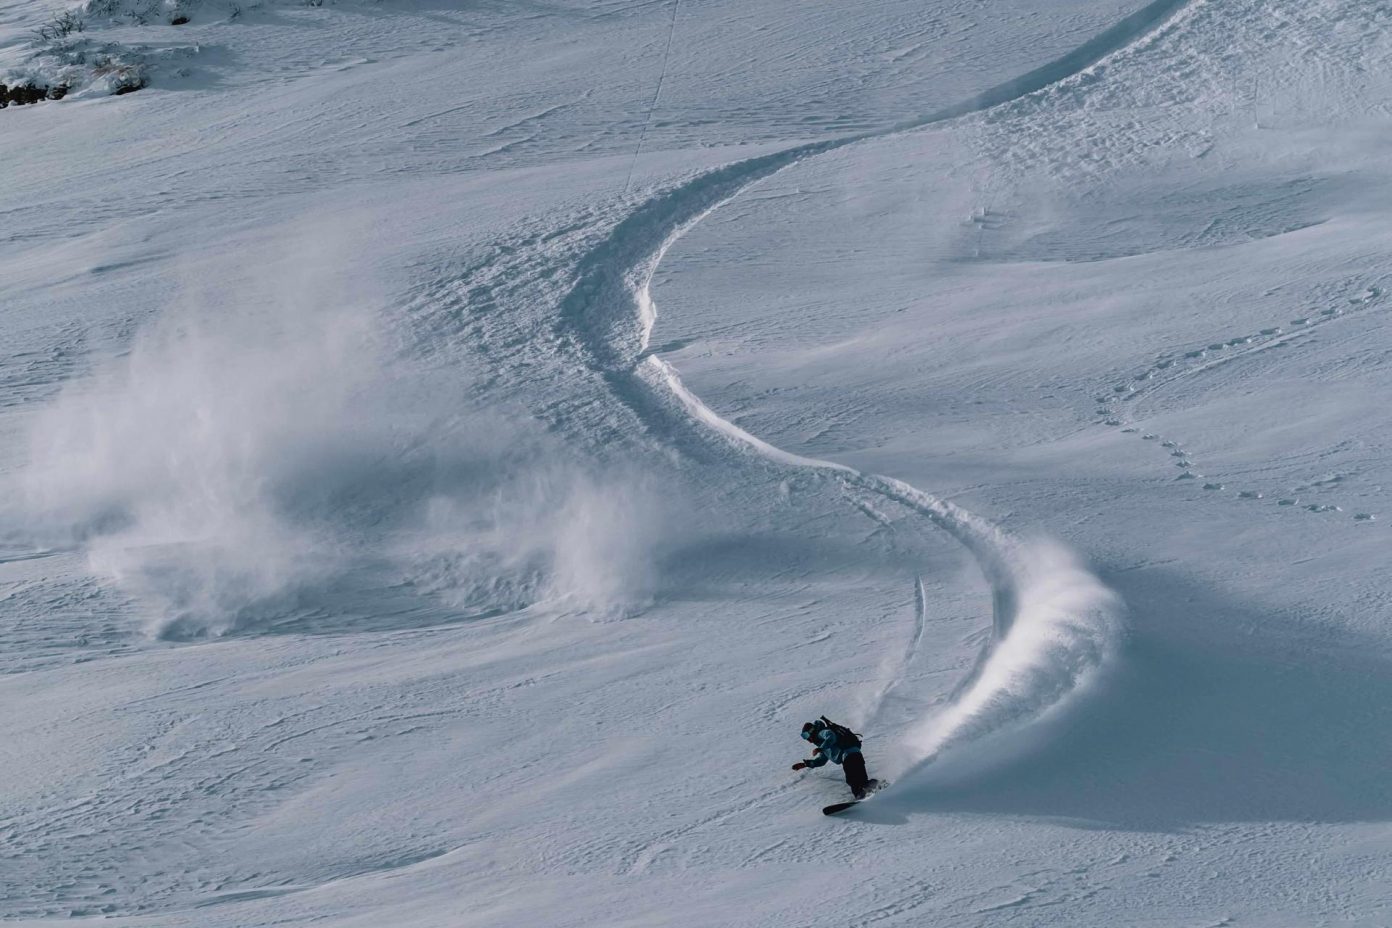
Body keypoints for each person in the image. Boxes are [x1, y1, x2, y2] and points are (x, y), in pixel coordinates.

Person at [792, 718, 879, 799]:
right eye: (804, 737)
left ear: (811, 731)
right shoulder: (823, 744)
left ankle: (861, 797)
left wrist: (821, 748)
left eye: (806, 735)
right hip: (855, 754)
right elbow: (821, 760)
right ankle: (877, 786)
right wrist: (806, 764)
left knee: (853, 781)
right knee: (862, 780)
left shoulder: (821, 733)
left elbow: (831, 736)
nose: (807, 739)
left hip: (848, 756)